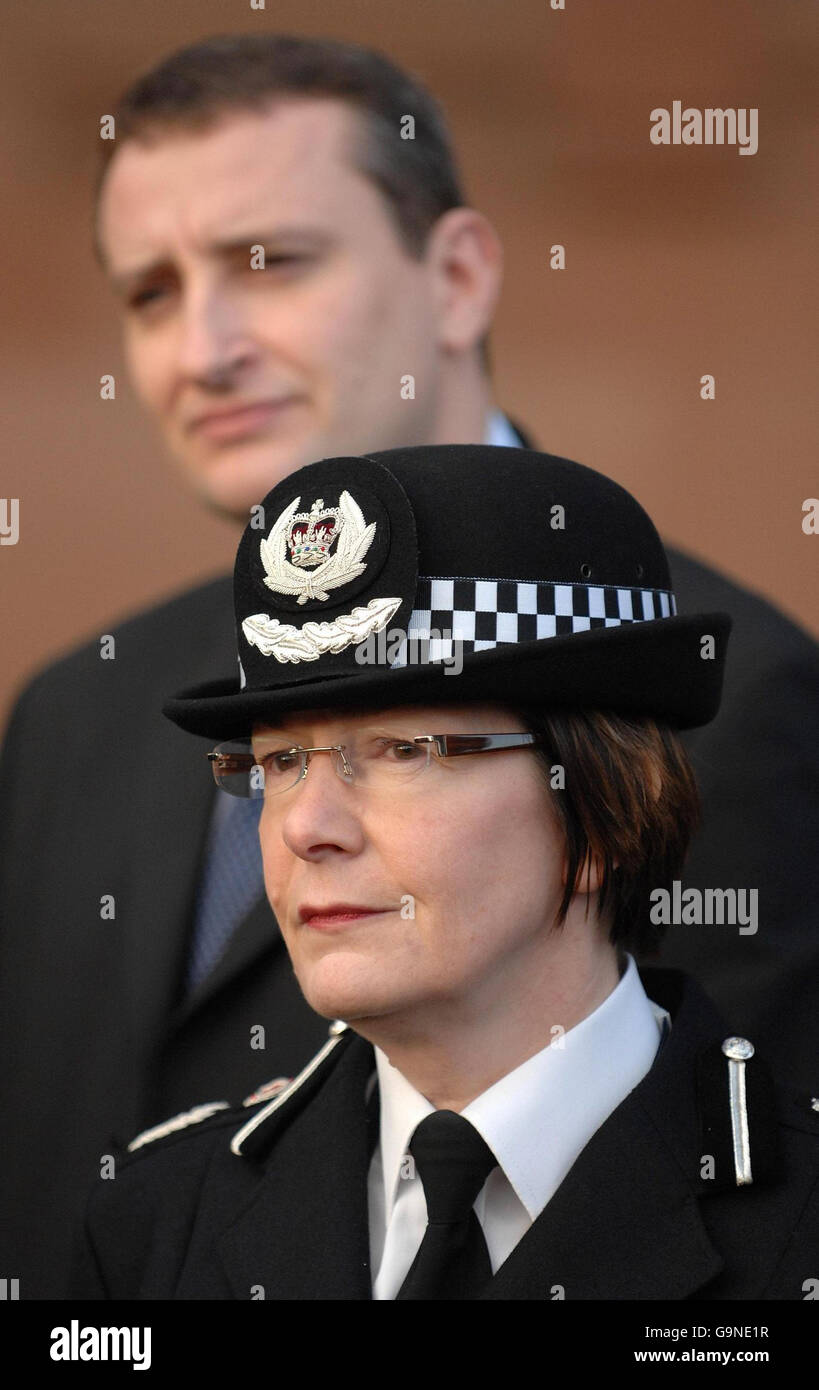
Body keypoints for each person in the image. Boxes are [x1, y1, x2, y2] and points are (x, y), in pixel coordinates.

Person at [1, 35, 817, 1300]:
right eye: (150, 291)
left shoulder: (730, 690)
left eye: (267, 261)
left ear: (458, 275)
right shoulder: (73, 708)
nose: (200, 345)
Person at [71, 443, 818, 1301]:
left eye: (401, 751)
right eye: (278, 764)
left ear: (612, 800)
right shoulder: (153, 1227)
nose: (306, 828)